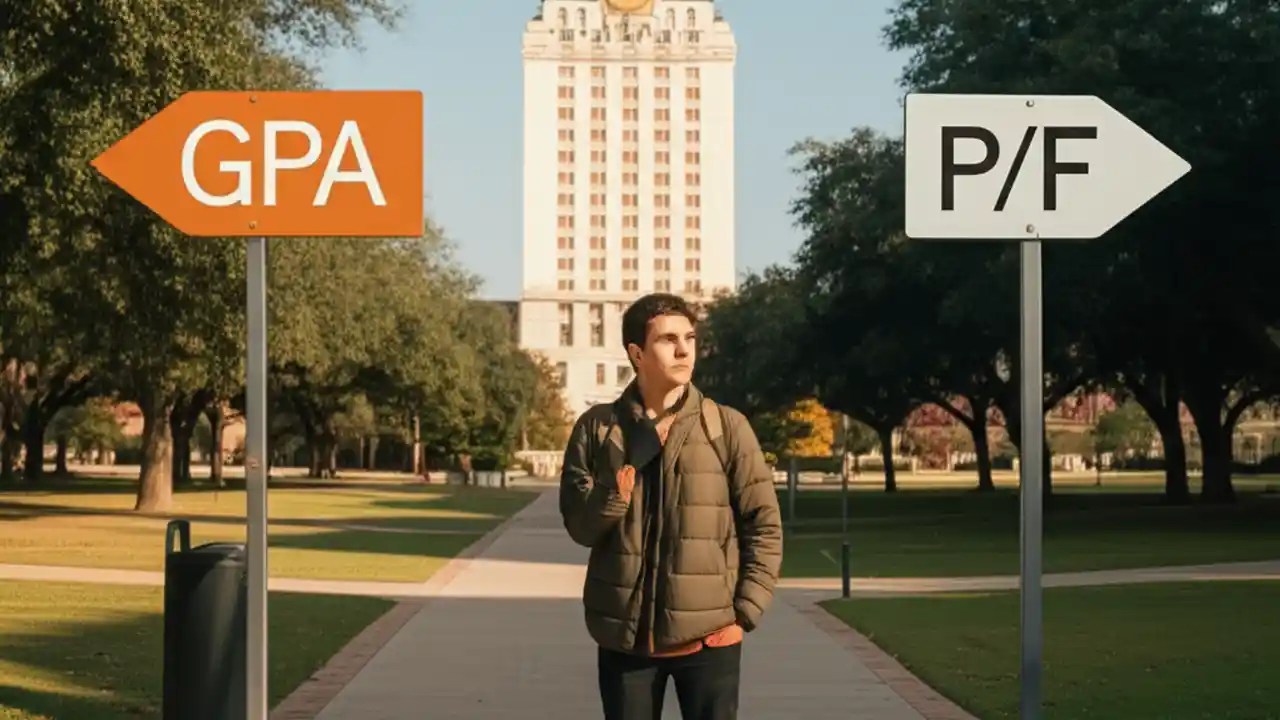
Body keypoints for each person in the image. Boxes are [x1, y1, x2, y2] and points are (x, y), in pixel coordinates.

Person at [559, 292, 784, 720]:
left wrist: (744, 614)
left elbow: (764, 525)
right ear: (637, 353)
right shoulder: (597, 429)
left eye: (690, 338)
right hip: (625, 641)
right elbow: (579, 528)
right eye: (668, 340)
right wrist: (614, 497)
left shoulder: (726, 426)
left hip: (710, 640)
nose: (684, 350)